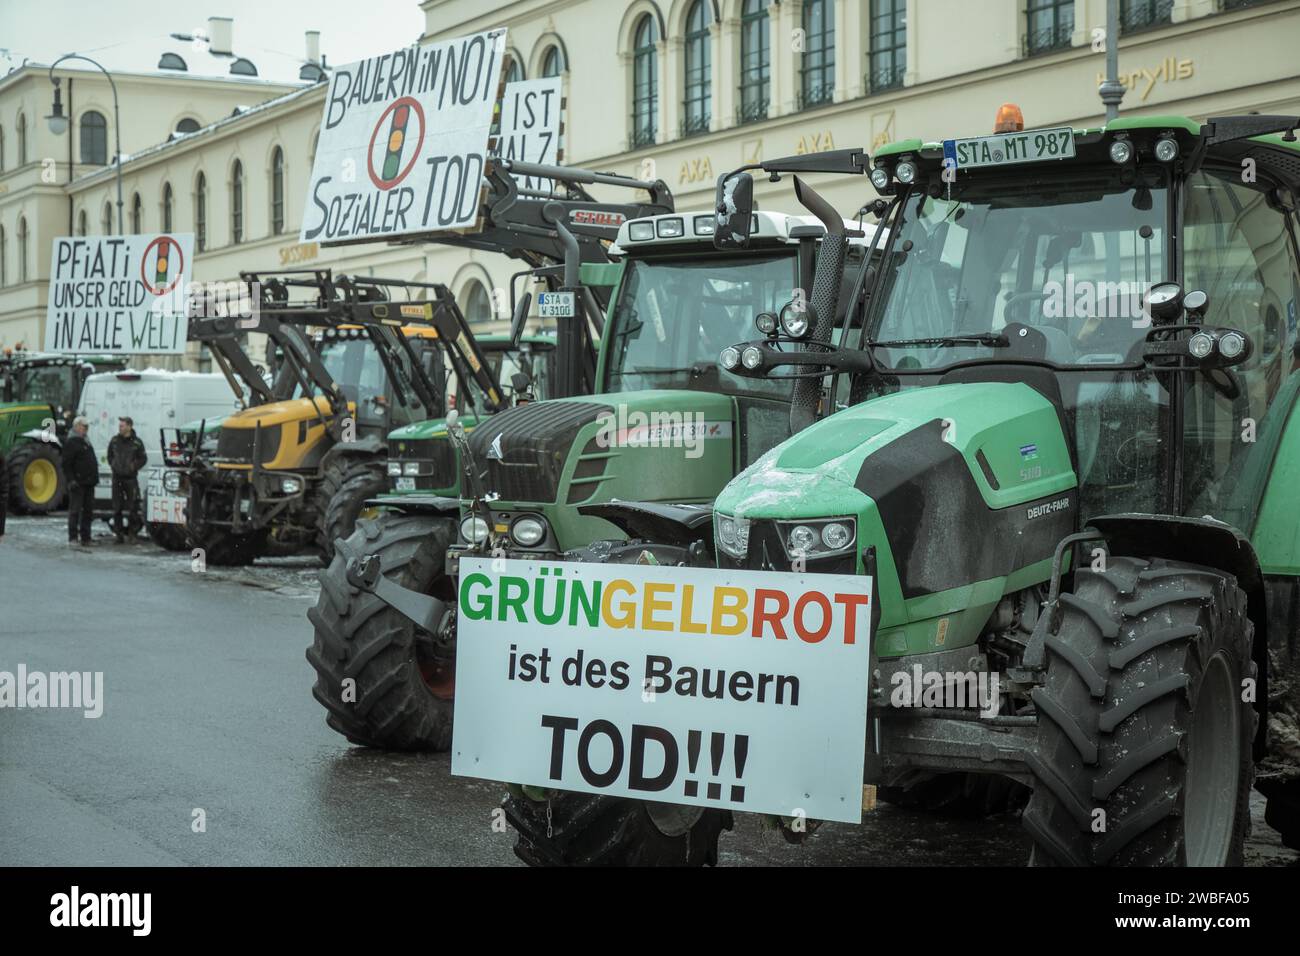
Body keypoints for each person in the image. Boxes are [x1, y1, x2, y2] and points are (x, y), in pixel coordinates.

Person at [107, 416, 148, 544]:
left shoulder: (137, 442)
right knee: (117, 508)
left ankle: (132, 534)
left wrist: (133, 466)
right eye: (120, 426)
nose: (120, 427)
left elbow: (143, 458)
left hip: (130, 479)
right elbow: (109, 456)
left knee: (133, 507)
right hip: (117, 478)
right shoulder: (114, 441)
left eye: (122, 425)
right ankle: (118, 535)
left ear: (129, 426)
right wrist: (114, 465)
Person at [62, 416, 98, 547]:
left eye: (87, 427)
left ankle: (86, 537)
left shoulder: (86, 442)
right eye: (84, 426)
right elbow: (66, 464)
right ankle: (73, 537)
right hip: (78, 483)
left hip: (89, 482)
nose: (86, 429)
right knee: (75, 511)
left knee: (88, 511)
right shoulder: (71, 442)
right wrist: (71, 480)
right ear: (76, 426)